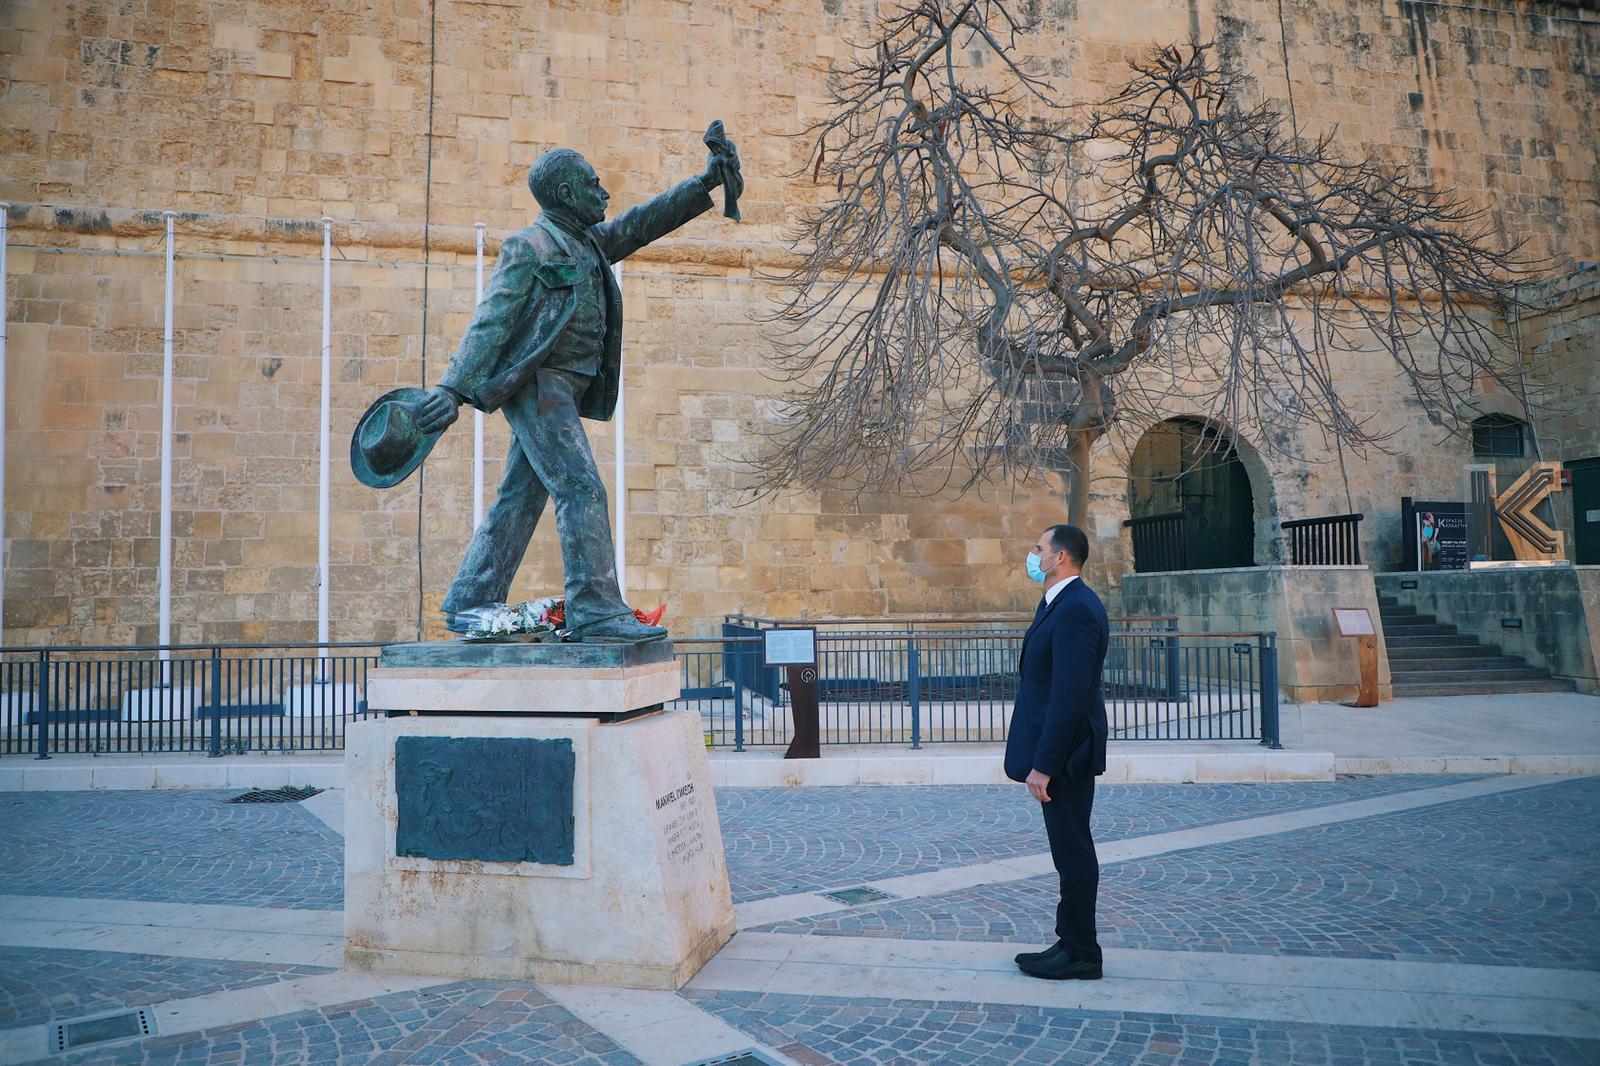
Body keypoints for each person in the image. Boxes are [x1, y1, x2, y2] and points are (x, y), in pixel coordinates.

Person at [411, 136, 739, 642]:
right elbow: (490, 320)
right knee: (581, 487)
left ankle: (471, 596)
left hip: (563, 387)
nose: (604, 192)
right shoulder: (531, 247)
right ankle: (595, 607)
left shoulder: (590, 243)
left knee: (518, 497)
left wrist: (707, 181)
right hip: (538, 386)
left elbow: (642, 222)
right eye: (593, 184)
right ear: (566, 194)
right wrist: (452, 390)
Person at [1003, 523, 1110, 980]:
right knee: (1067, 852)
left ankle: (1082, 952)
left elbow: (1068, 694)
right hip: (1059, 751)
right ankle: (1070, 941)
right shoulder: (1058, 604)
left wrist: (1043, 766)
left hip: (1067, 755)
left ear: (1061, 557)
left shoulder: (1077, 609)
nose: (1033, 554)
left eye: (1039, 548)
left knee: (1074, 854)